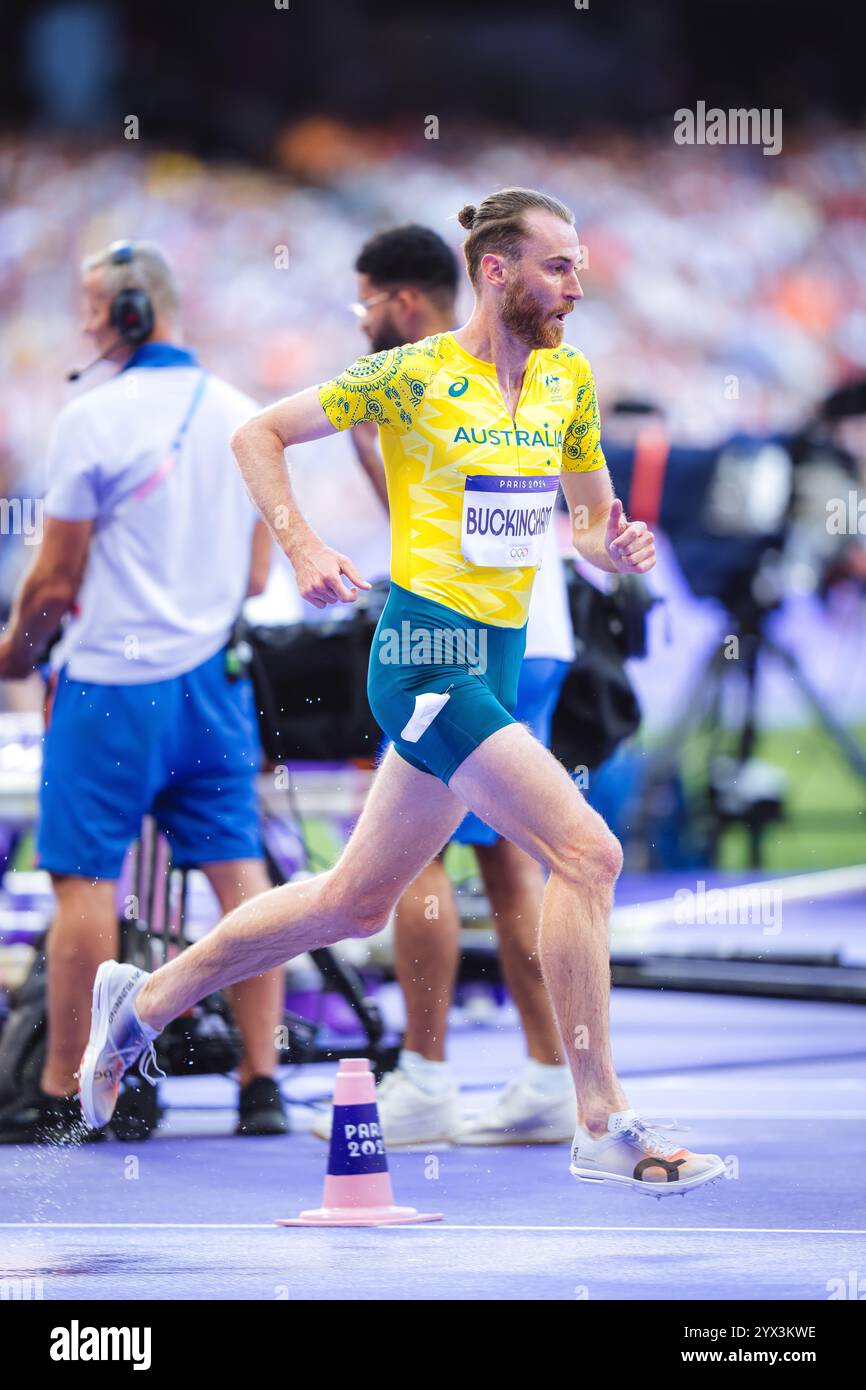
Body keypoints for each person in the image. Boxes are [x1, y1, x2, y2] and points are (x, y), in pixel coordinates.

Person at [80, 191, 725, 1197]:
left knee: (352, 901)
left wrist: (617, 545)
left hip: (499, 656)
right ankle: (600, 1117)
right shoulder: (411, 373)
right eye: (556, 266)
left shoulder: (565, 379)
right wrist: (301, 544)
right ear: (496, 271)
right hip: (424, 655)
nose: (576, 284)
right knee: (585, 851)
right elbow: (256, 433)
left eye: (579, 265)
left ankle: (142, 1001)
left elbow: (591, 523)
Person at [0, 240, 288, 1142]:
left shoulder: (92, 418)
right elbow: (248, 580)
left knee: (85, 883)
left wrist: (14, 655)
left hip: (110, 689)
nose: (84, 324)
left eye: (92, 307)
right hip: (212, 682)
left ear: (123, 315)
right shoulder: (245, 411)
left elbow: (53, 584)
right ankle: (261, 1082)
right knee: (241, 879)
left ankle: (65, 1090)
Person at [312, 224, 577, 1146]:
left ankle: (426, 1074)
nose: (362, 323)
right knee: (514, 854)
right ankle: (547, 1069)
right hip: (536, 628)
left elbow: (419, 528)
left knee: (421, 855)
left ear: (406, 302)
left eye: (366, 305)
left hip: (467, 633)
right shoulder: (526, 373)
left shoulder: (418, 381)